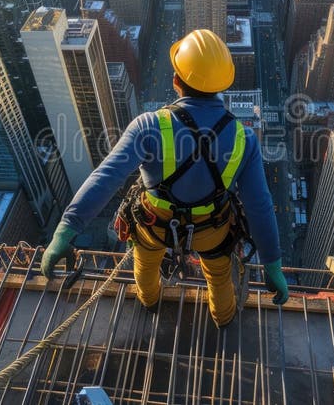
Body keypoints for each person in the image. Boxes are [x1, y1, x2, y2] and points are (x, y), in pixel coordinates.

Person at [41, 29, 288, 328]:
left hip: (154, 224)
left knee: (146, 265)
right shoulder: (243, 138)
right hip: (212, 229)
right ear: (222, 86)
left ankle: (150, 303)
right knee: (220, 277)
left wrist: (65, 231)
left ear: (175, 81)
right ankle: (223, 322)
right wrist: (273, 264)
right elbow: (259, 205)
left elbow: (107, 177)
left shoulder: (149, 126)